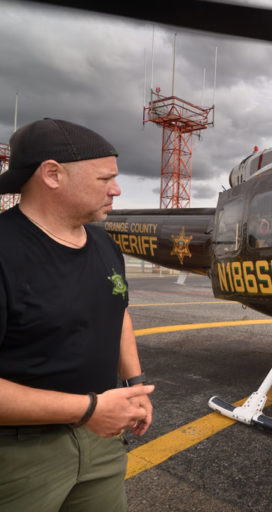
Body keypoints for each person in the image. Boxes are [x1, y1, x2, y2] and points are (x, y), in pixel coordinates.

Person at [0, 118, 154, 511]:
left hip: (102, 443)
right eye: (106, 178)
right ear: (52, 175)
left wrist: (135, 386)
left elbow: (118, 313)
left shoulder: (104, 245)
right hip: (18, 456)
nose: (117, 189)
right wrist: (89, 409)